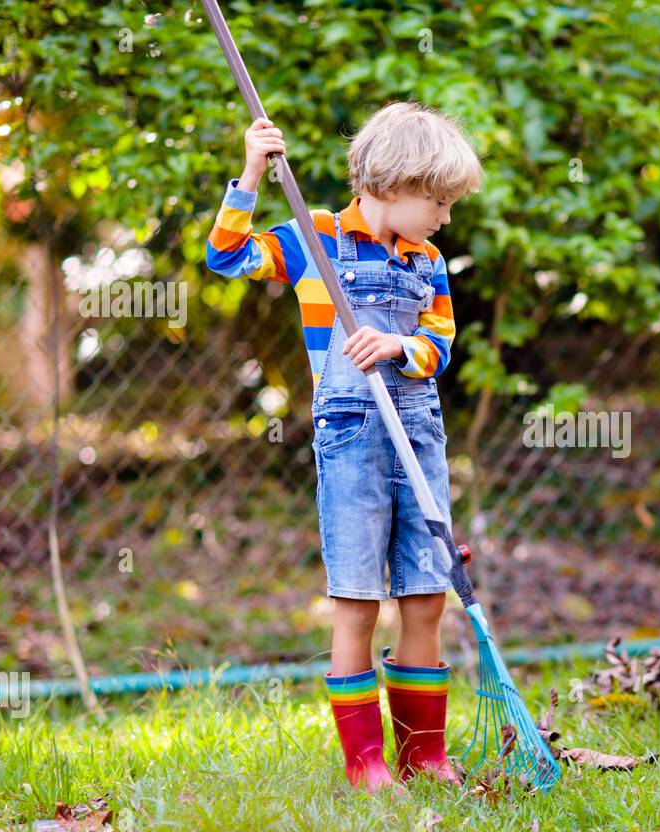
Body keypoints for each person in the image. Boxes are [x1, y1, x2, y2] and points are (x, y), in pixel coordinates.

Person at [205, 102, 483, 793]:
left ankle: (425, 754)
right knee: (357, 599)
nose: (445, 217)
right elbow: (226, 256)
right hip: (353, 441)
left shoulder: (430, 260)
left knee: (425, 597)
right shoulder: (314, 237)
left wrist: (401, 345)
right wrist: (250, 170)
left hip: (418, 438)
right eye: (439, 202)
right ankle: (366, 766)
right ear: (394, 184)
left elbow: (441, 344)